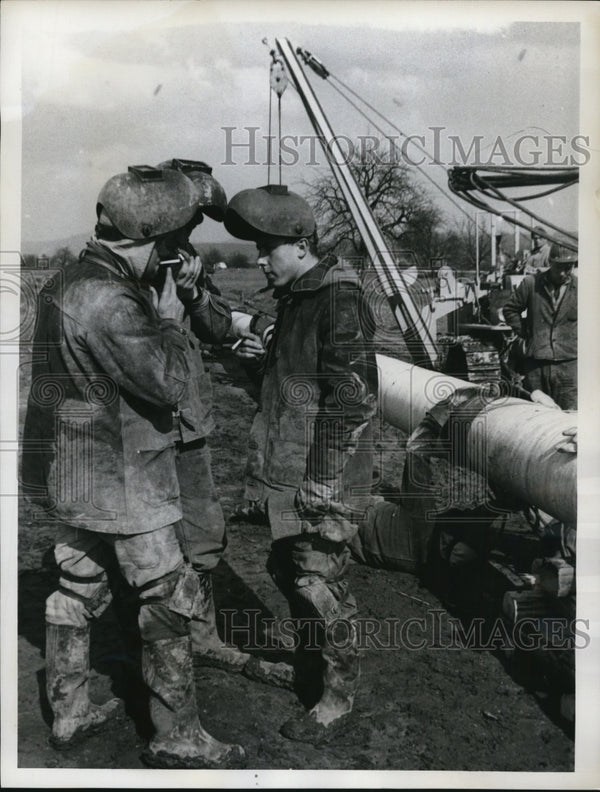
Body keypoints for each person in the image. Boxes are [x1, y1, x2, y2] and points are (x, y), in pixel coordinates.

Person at [22, 165, 246, 769]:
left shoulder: (67, 280)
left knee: (74, 592)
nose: (172, 260)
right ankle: (177, 736)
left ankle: (68, 713)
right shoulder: (112, 298)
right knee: (168, 597)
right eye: (167, 247)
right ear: (145, 237)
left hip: (71, 473)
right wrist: (170, 320)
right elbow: (169, 382)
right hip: (122, 476)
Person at [224, 184, 378, 745]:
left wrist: (321, 480)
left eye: (268, 248)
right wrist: (259, 364)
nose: (260, 260)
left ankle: (338, 699)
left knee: (322, 586)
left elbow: (353, 397)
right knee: (292, 574)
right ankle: (313, 670)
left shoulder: (335, 296)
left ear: (299, 243)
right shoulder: (300, 293)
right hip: (292, 469)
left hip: (321, 476)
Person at [154, 158, 249, 672]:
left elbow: (216, 330)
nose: (190, 229)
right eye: (187, 219)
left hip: (189, 423)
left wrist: (193, 292)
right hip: (144, 426)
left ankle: (202, 635)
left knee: (204, 531)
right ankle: (156, 639)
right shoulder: (133, 262)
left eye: (195, 223)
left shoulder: (188, 260)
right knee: (143, 542)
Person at [503, 241, 577, 410]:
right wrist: (527, 333)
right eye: (560, 267)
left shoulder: (581, 288)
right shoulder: (531, 284)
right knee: (535, 414)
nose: (564, 273)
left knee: (570, 417)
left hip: (568, 367)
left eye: (569, 267)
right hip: (536, 365)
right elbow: (510, 310)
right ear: (550, 263)